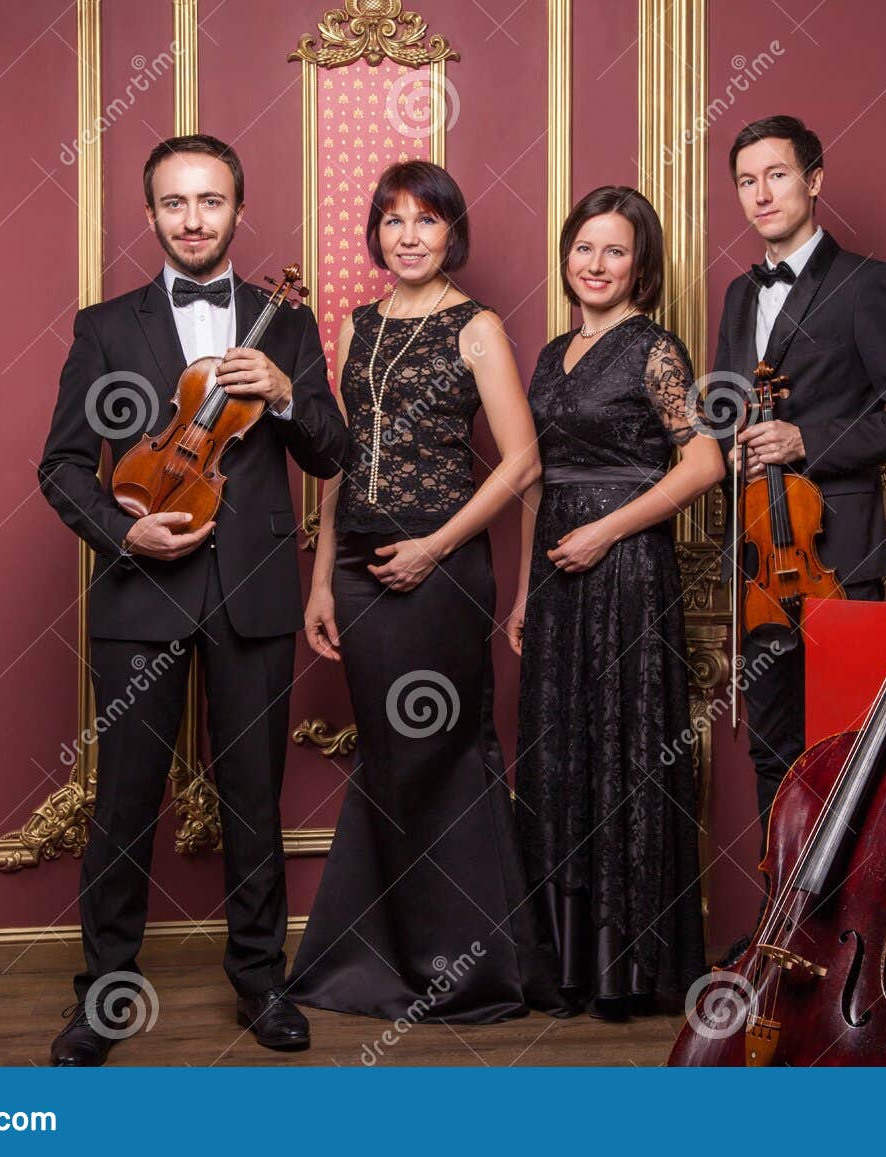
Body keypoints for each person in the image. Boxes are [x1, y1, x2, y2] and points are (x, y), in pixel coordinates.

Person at [38, 133, 349, 1065]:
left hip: (254, 590)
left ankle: (261, 982)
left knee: (254, 797)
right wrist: (120, 531)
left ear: (238, 209)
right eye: (174, 202)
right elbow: (61, 465)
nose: (193, 219)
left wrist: (287, 393)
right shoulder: (105, 325)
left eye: (210, 200)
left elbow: (332, 452)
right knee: (125, 799)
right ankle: (104, 996)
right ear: (150, 214)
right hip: (140, 590)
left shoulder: (286, 322)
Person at [287, 160, 556, 1022]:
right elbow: (340, 460)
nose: (408, 236)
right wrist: (322, 578)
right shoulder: (356, 326)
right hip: (362, 572)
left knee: (441, 750)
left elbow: (523, 461)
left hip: (442, 571)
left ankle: (472, 968)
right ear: (376, 232)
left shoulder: (477, 327)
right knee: (388, 754)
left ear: (452, 233)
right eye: (393, 220)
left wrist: (435, 549)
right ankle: (379, 960)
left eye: (427, 220)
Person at [508, 186, 721, 1018]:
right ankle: (564, 964)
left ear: (641, 267)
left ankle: (626, 969)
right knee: (560, 753)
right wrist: (523, 591)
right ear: (567, 255)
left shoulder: (655, 349)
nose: (595, 264)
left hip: (628, 571)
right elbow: (535, 482)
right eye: (583, 247)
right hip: (557, 576)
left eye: (615, 251)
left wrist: (606, 532)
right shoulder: (550, 352)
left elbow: (704, 464)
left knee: (624, 748)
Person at [716, 114, 886, 837]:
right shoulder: (738, 295)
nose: (761, 194)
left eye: (777, 175)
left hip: (837, 559)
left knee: (849, 754)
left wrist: (804, 440)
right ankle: (782, 907)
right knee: (771, 752)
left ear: (814, 181)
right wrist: (729, 449)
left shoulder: (867, 284)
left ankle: (849, 909)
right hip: (760, 568)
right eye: (746, 181)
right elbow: (727, 412)